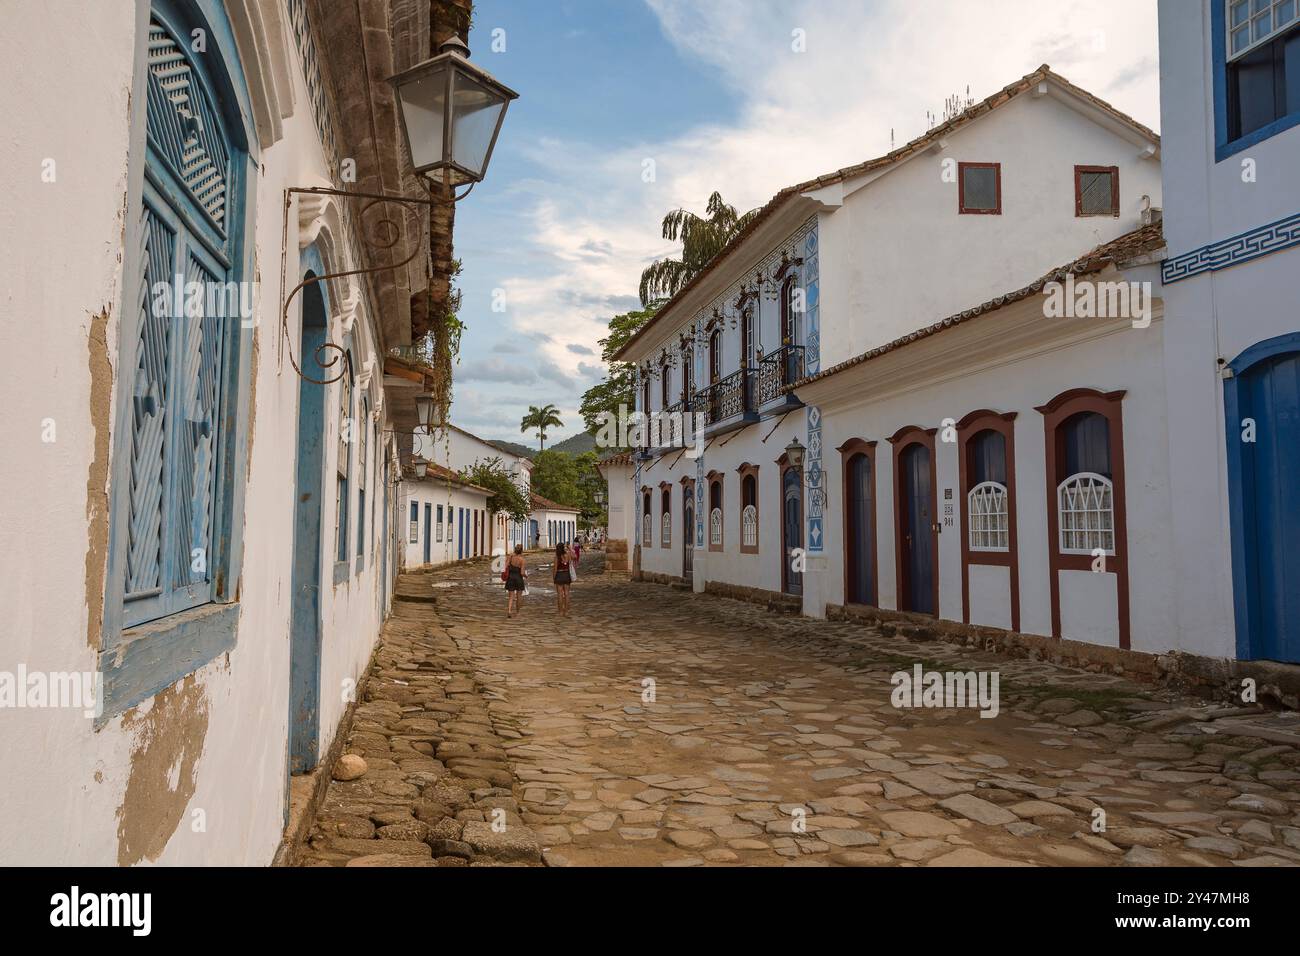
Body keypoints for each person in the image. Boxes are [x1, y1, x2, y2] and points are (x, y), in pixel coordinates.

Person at [504, 544, 527, 618]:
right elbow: (522, 573)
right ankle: (518, 612)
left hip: (510, 577)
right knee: (519, 596)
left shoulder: (510, 557)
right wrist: (526, 576)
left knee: (511, 596)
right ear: (521, 551)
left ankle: (509, 611)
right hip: (518, 578)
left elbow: (505, 566)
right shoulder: (522, 560)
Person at [553, 541, 574, 617]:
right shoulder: (567, 555)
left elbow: (555, 569)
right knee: (567, 594)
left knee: (560, 595)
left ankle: (560, 611)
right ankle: (566, 611)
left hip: (559, 575)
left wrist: (554, 578)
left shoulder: (557, 557)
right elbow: (574, 557)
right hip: (566, 574)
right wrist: (570, 549)